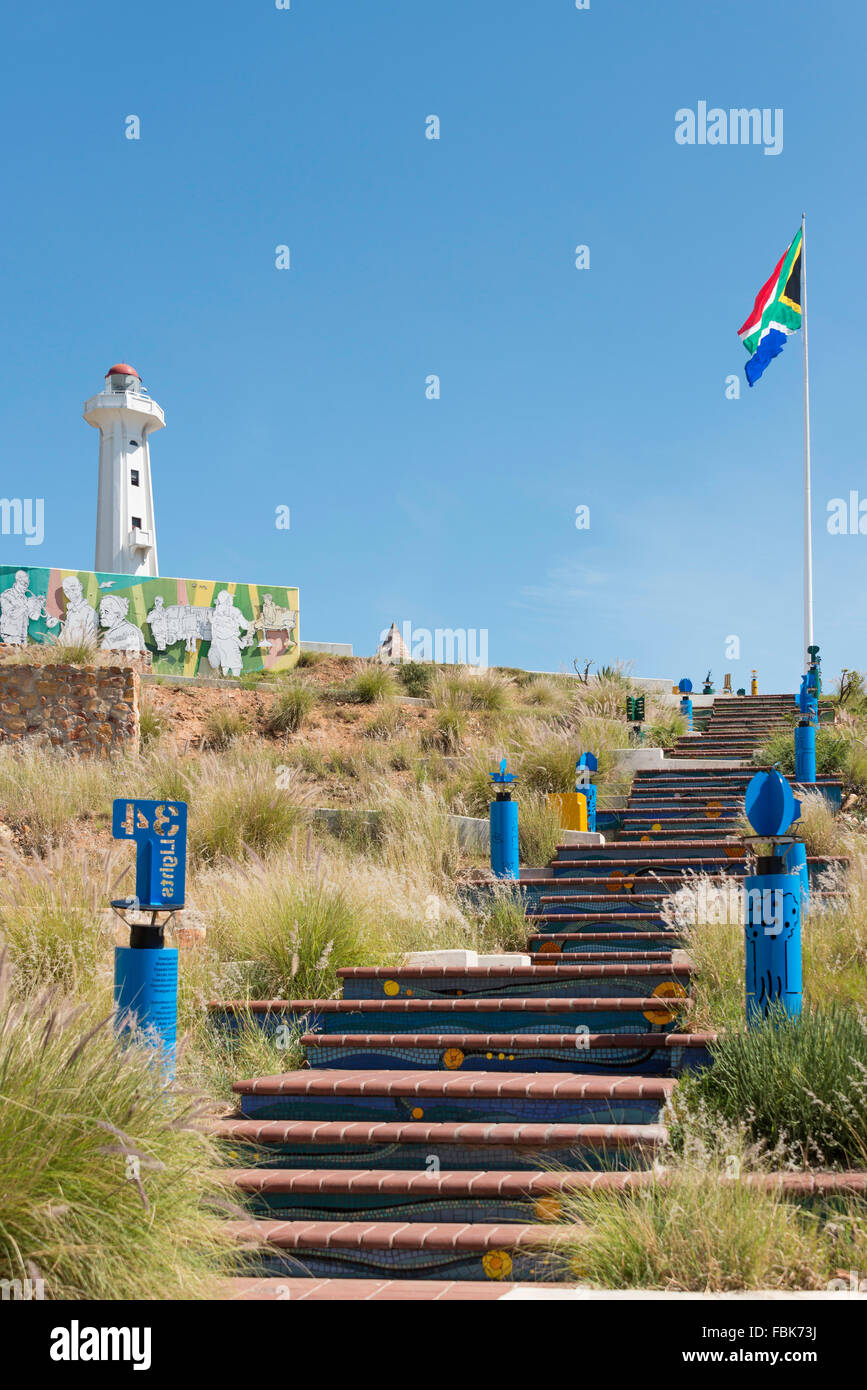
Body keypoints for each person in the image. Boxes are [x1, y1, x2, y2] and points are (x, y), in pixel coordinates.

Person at [207, 590, 253, 677]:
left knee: (225, 662)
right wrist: (251, 625)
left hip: (219, 641)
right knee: (235, 662)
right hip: (231, 640)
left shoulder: (216, 613)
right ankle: (235, 681)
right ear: (228, 599)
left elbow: (214, 629)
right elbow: (245, 625)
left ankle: (225, 679)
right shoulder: (234, 611)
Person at [0, 570, 49, 645]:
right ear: (17, 580)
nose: (25, 586)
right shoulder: (7, 595)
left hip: (22, 635)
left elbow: (34, 617)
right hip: (10, 634)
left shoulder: (24, 598)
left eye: (27, 584)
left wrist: (38, 605)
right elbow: (11, 614)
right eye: (23, 583)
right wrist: (26, 605)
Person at [60, 575, 98, 644]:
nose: (70, 594)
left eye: (73, 589)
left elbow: (91, 640)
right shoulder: (70, 612)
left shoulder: (90, 612)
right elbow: (64, 634)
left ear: (80, 586)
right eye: (66, 591)